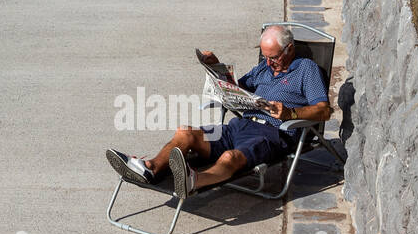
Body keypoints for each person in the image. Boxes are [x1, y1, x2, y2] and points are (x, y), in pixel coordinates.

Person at [105, 25, 331, 199]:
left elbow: (324, 111)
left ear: (289, 49)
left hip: (270, 134)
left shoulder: (305, 70)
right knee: (186, 132)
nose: (269, 63)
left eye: (273, 57)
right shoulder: (264, 67)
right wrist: (217, 69)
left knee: (230, 157)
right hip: (238, 126)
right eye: (265, 56)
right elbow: (237, 89)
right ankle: (150, 168)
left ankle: (194, 181)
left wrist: (289, 113)